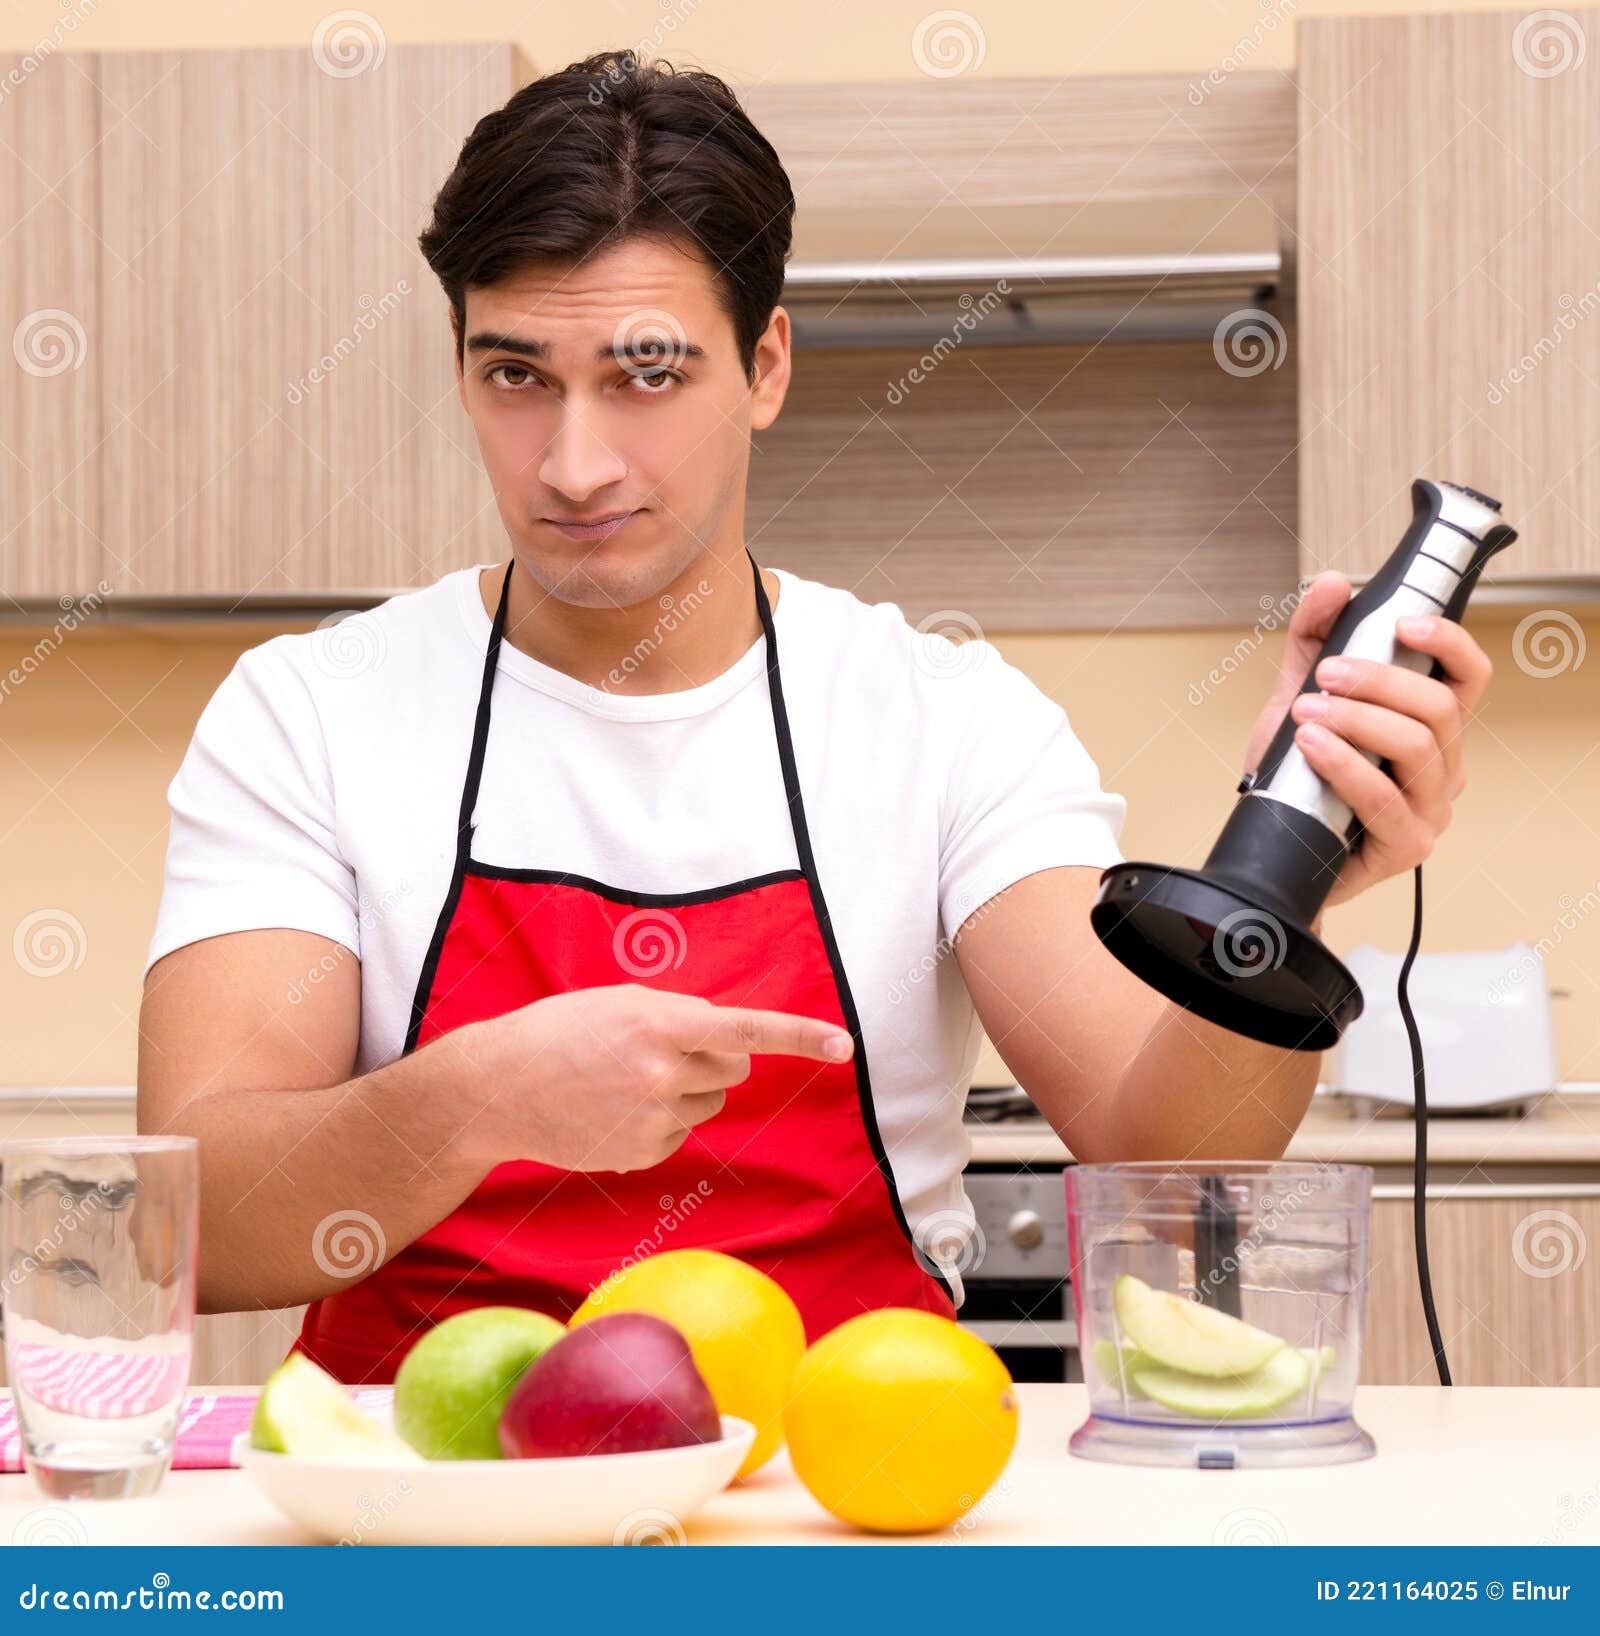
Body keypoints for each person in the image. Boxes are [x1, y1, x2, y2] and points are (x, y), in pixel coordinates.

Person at [138, 53, 1494, 1382]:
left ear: (767, 366)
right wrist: (473, 1099)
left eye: (647, 375)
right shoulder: (310, 714)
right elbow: (193, 1229)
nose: (574, 464)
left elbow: (1167, 1157)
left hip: (850, 1479)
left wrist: (1285, 893)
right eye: (517, 376)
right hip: (422, 1488)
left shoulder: (946, 721)